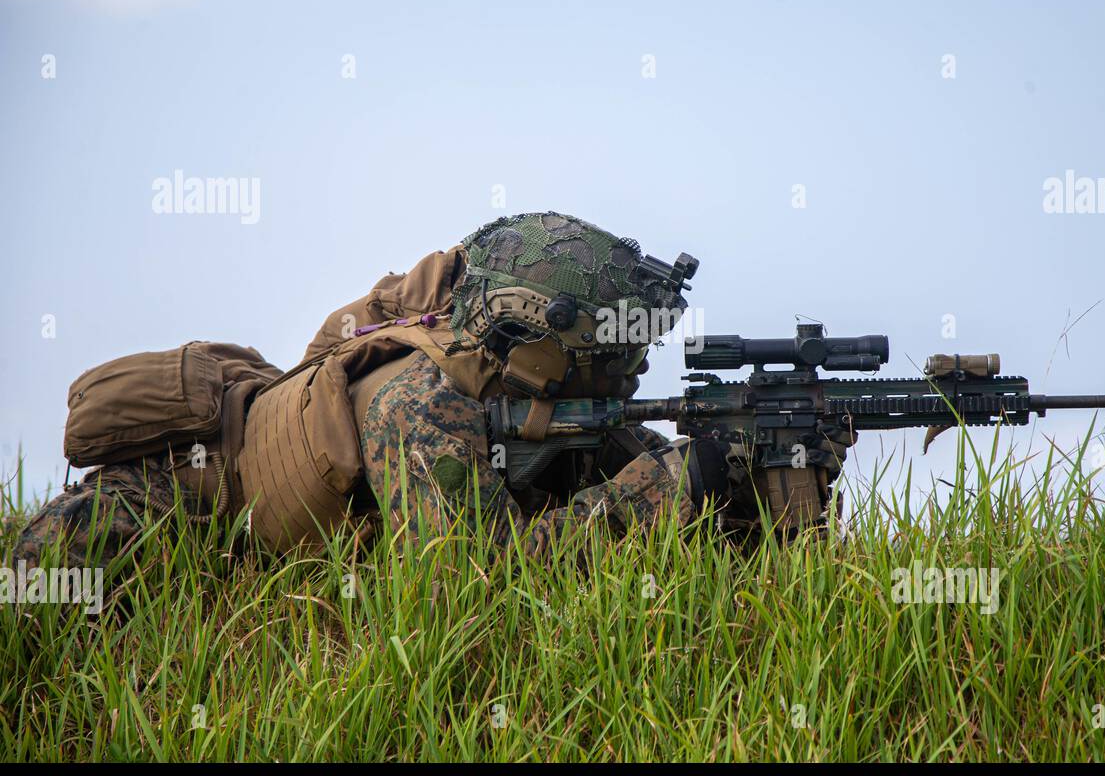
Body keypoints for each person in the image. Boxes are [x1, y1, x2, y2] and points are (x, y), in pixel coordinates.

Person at [12, 212, 853, 568]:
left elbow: (671, 512)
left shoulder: (533, 394)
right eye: (613, 351)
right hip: (173, 514)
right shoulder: (421, 405)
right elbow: (467, 588)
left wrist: (762, 481)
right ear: (545, 344)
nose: (632, 370)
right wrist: (672, 485)